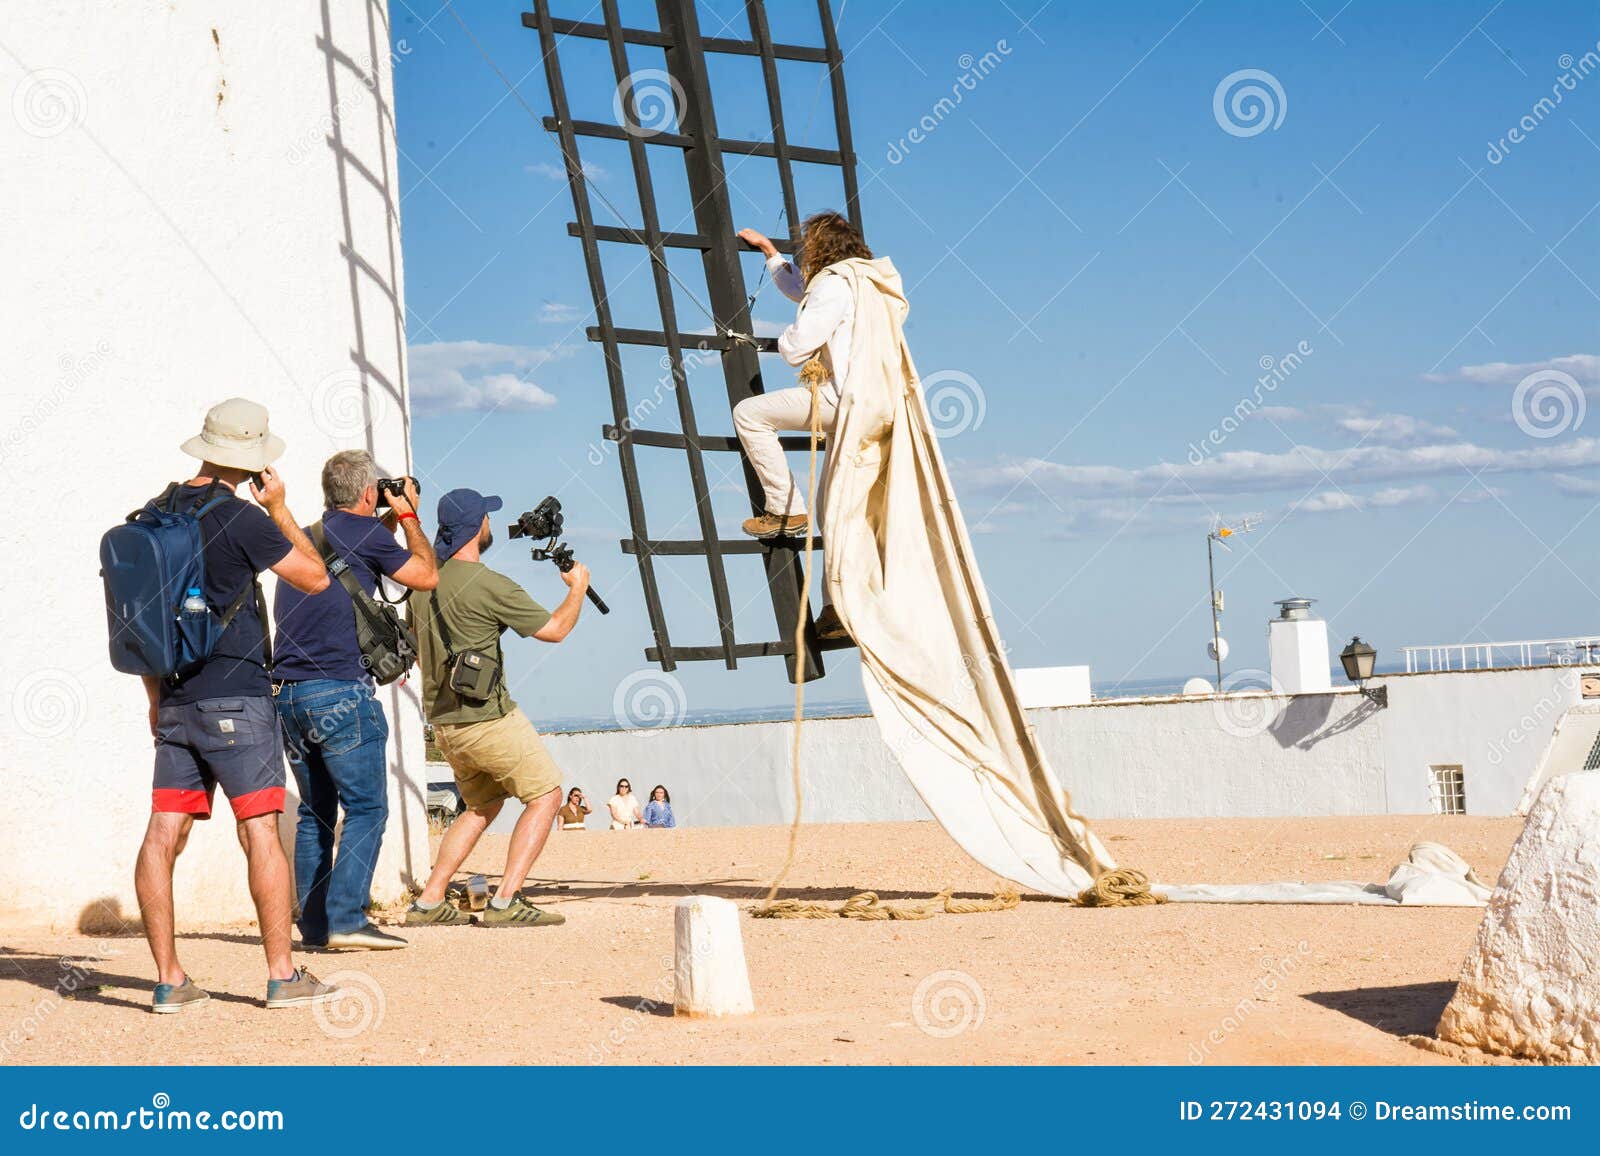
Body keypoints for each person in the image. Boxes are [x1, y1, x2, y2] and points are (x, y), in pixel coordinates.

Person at [136, 398, 338, 1012]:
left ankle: (170, 980)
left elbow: (140, 621)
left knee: (162, 835)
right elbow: (315, 577)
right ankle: (282, 975)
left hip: (172, 698)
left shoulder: (151, 517)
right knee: (260, 835)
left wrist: (155, 699)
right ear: (250, 461)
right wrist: (278, 507)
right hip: (238, 699)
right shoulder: (243, 518)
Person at [271, 451, 439, 951]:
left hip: (288, 694)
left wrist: (387, 514)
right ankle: (346, 917)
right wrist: (407, 512)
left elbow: (357, 553)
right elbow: (426, 574)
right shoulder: (367, 535)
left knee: (315, 814)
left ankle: (318, 927)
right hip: (340, 692)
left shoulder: (308, 535)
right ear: (369, 493)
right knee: (367, 808)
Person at [405, 488, 591, 928]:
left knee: (481, 806)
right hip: (489, 718)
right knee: (546, 795)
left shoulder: (419, 585)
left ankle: (430, 901)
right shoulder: (490, 583)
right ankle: (506, 900)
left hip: (445, 724)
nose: (491, 524)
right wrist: (577, 588)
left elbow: (416, 651)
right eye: (487, 516)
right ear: (476, 527)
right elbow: (555, 629)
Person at [735, 212, 872, 639]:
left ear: (820, 247)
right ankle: (838, 611)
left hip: (839, 400)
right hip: (872, 407)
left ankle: (786, 507)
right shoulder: (863, 283)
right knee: (836, 511)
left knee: (750, 414)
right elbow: (806, 293)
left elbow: (797, 348)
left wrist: (786, 341)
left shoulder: (832, 285)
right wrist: (771, 255)